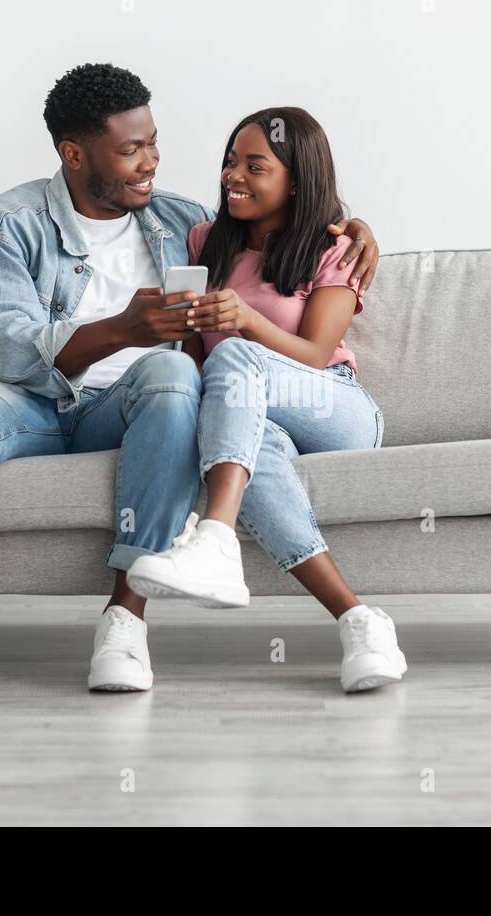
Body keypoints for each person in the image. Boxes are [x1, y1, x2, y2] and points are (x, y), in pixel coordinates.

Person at [0, 65, 380, 702]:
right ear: (74, 154)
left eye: (153, 142)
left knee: (175, 369)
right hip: (32, 402)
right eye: (131, 150)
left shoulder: (182, 223)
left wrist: (356, 229)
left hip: (132, 406)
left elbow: (285, 210)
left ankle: (125, 622)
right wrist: (121, 328)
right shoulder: (4, 225)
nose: (151, 162)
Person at [125, 107, 406, 693]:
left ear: (297, 180)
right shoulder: (204, 241)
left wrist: (246, 322)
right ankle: (360, 622)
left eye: (256, 166)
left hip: (333, 406)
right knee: (256, 446)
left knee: (235, 355)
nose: (235, 176)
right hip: (254, 413)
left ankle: (216, 536)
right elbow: (198, 358)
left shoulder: (333, 248)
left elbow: (314, 350)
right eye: (231, 162)